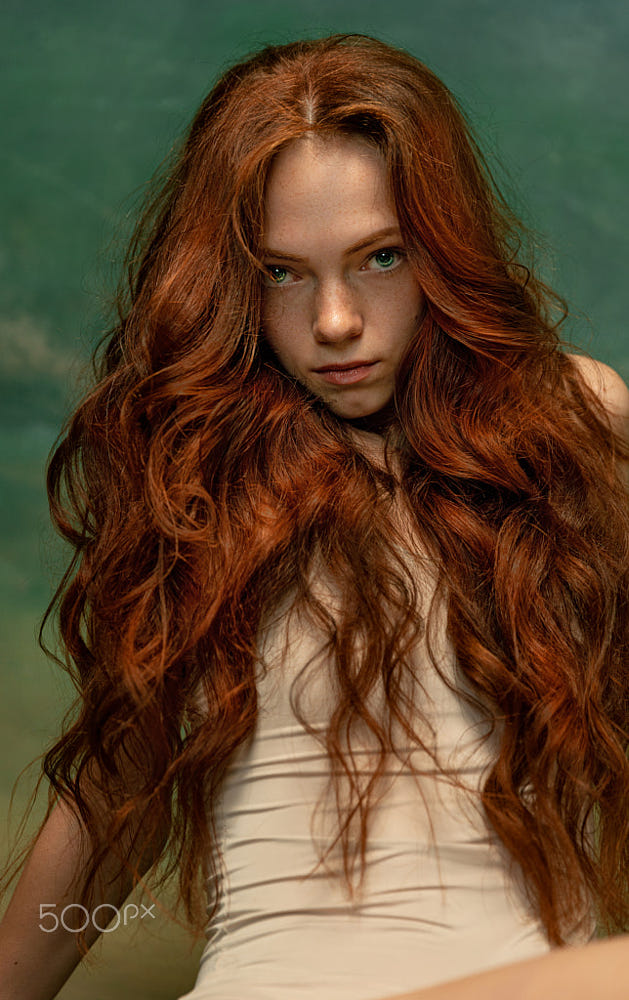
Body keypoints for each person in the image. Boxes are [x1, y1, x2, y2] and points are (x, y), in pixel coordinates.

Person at [1, 32, 629, 1000]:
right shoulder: (197, 470)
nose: (335, 321)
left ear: (441, 252)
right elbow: (111, 812)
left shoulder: (574, 422)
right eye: (283, 273)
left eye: (378, 257)